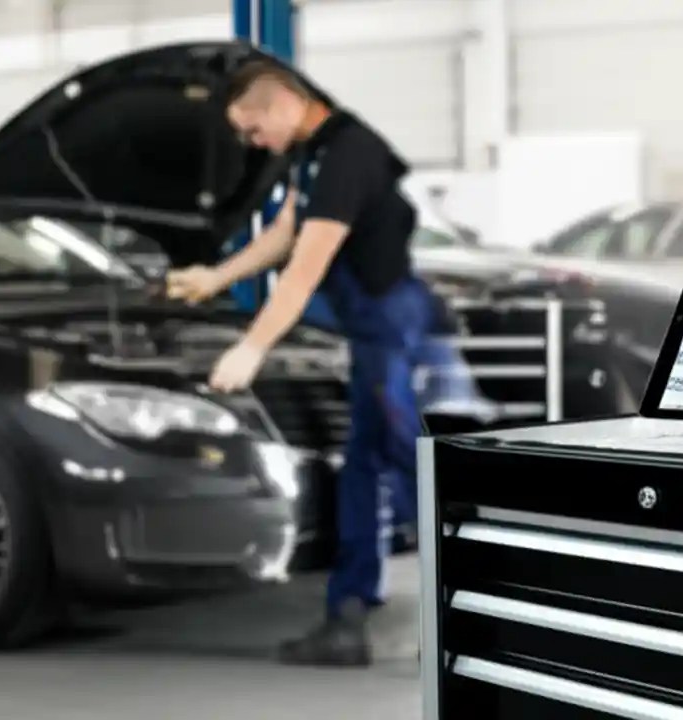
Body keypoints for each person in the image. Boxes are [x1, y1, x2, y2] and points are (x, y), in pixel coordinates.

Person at [166, 57, 431, 667]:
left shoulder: (349, 154)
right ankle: (349, 613)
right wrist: (215, 277)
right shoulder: (312, 152)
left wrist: (252, 346)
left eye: (253, 129)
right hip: (373, 331)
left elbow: (304, 268)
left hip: (391, 325)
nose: (253, 143)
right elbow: (285, 231)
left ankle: (483, 601)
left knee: (407, 465)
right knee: (365, 464)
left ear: (283, 102)